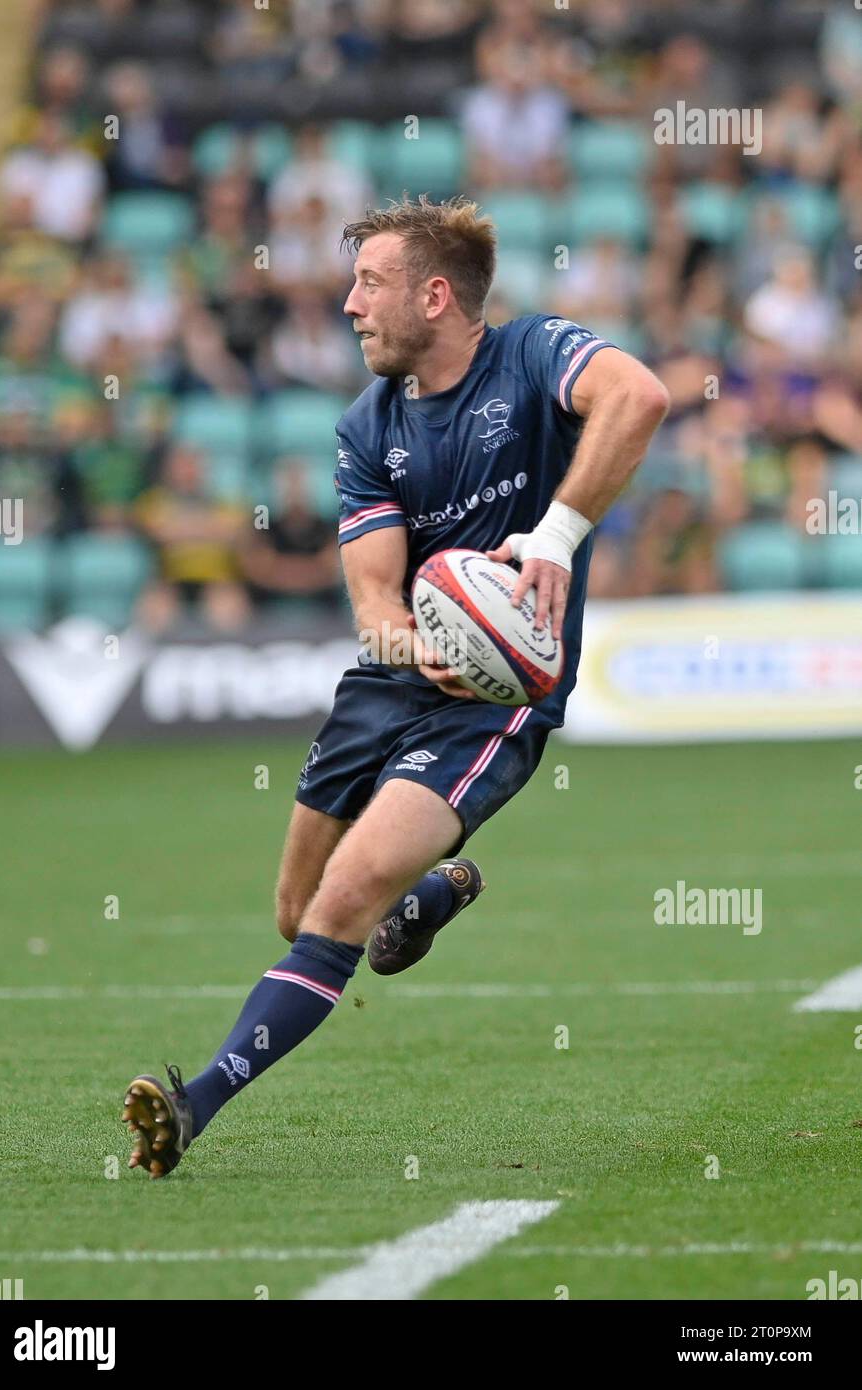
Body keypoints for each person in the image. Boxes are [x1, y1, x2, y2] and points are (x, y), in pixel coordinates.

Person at [121, 195, 669, 1176]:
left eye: (368, 284)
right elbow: (372, 598)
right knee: (299, 912)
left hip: (495, 700)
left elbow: (640, 399)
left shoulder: (537, 353)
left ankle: (194, 1101)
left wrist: (554, 537)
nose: (347, 305)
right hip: (387, 683)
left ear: (434, 293)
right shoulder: (365, 427)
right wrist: (406, 640)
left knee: (341, 904)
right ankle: (421, 901)